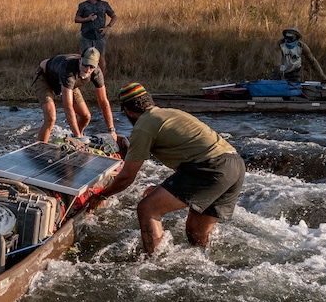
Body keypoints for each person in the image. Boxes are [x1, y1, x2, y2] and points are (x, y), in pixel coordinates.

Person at [90, 83, 245, 256]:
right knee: (196, 234)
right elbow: (193, 155)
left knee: (148, 208)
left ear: (128, 111)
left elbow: (127, 176)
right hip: (235, 165)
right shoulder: (171, 113)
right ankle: (202, 262)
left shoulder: (143, 125)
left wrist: (100, 195)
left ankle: (154, 263)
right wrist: (163, 187)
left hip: (210, 168)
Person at [34, 47, 117, 143]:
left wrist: (111, 130)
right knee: (51, 118)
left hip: (68, 83)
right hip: (45, 77)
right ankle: (40, 146)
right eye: (85, 65)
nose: (87, 70)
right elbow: (68, 107)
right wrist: (79, 139)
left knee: (86, 116)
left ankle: (73, 139)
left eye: (91, 67)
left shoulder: (97, 73)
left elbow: (104, 102)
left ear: (96, 65)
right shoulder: (68, 69)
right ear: (80, 60)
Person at [74, 0, 116, 70]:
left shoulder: (104, 4)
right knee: (83, 58)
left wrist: (108, 27)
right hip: (86, 37)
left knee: (101, 58)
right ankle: (83, 76)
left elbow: (114, 17)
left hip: (100, 36)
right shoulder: (83, 5)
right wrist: (87, 19)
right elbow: (76, 19)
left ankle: (101, 77)